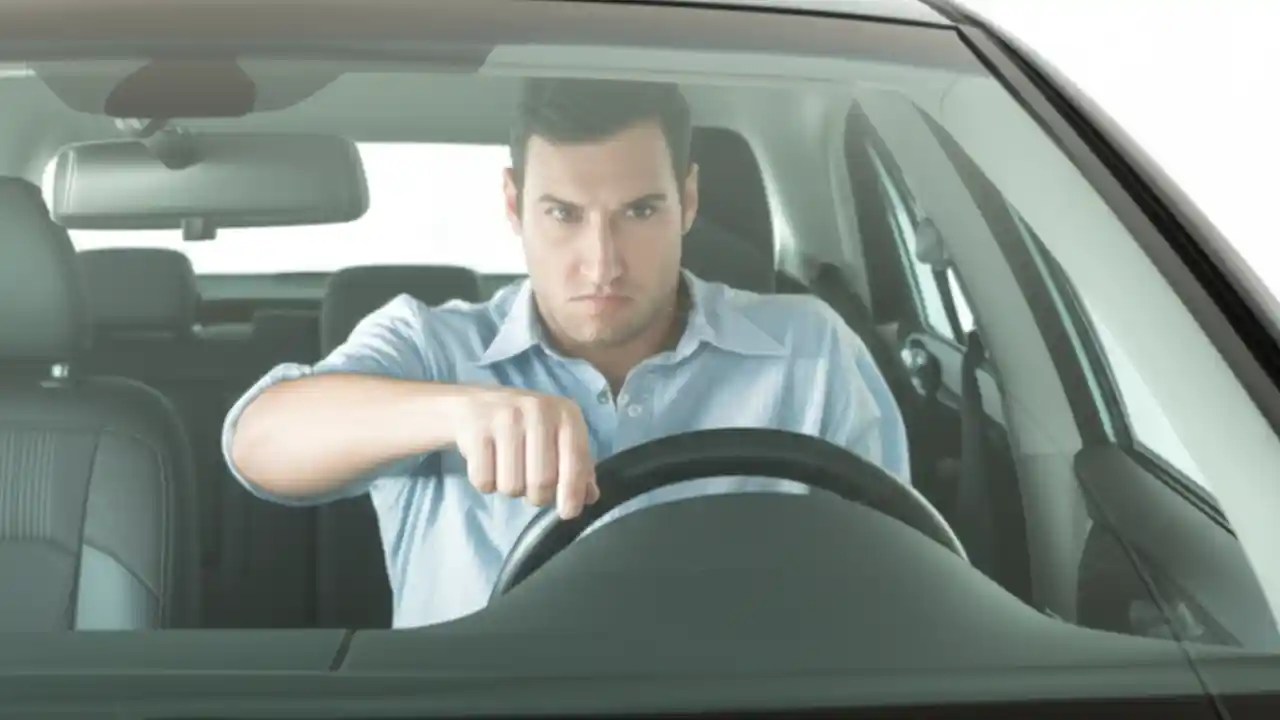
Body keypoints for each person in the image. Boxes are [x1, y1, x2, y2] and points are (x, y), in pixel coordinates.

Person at [223, 77, 909, 628]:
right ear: (514, 204)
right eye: (564, 214)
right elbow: (259, 443)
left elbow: (890, 587)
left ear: (689, 200)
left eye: (639, 211)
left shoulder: (808, 351)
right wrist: (458, 413)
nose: (602, 264)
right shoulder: (431, 347)